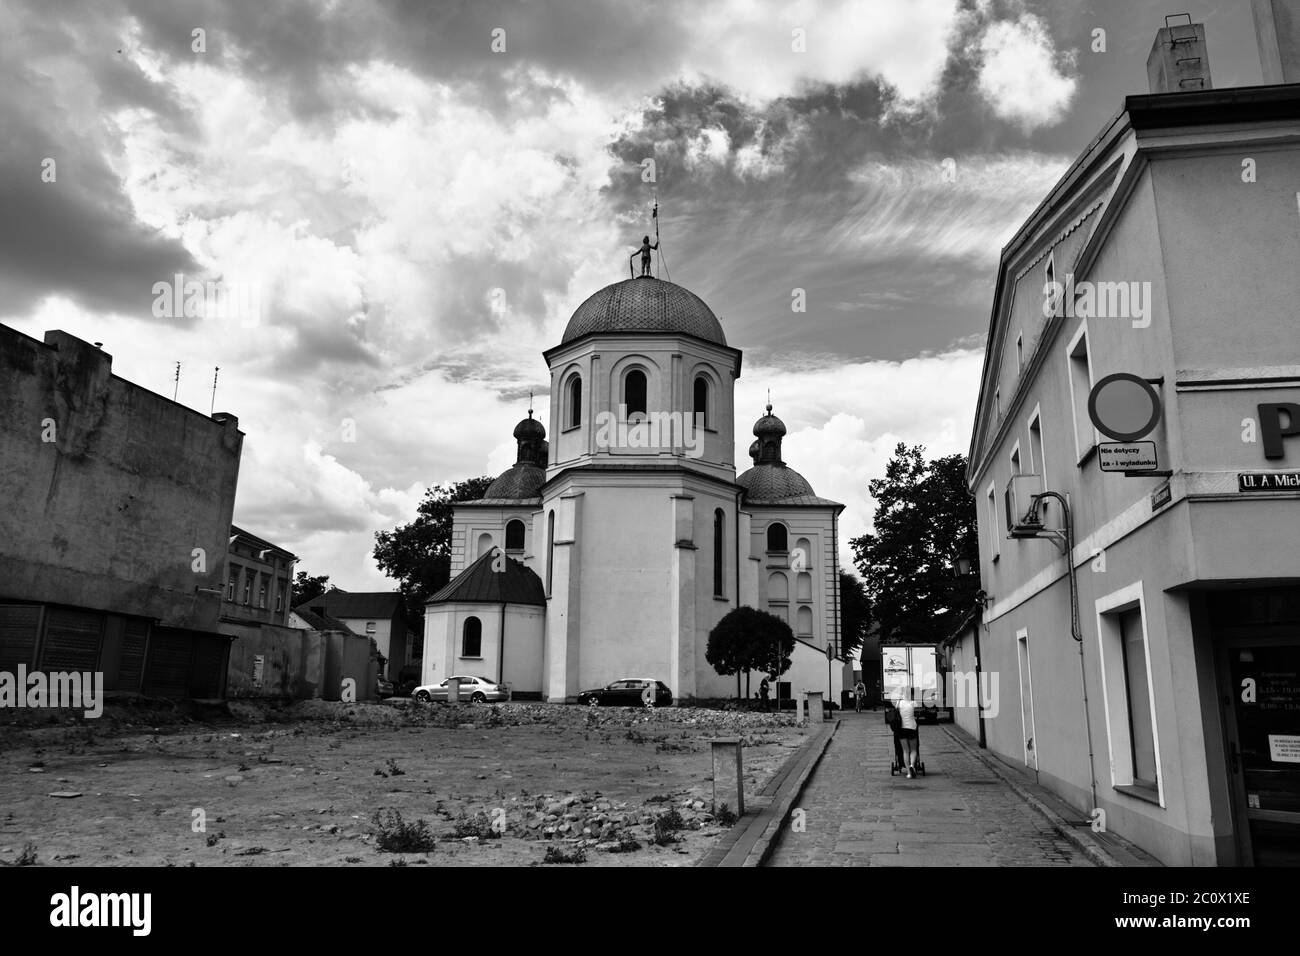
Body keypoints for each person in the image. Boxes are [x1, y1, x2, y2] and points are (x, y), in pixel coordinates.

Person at [896, 693, 920, 778]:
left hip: (902, 728)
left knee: (905, 751)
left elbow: (896, 712)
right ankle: (912, 765)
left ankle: (909, 773)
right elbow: (917, 712)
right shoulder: (913, 703)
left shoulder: (899, 703)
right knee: (913, 749)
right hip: (912, 728)